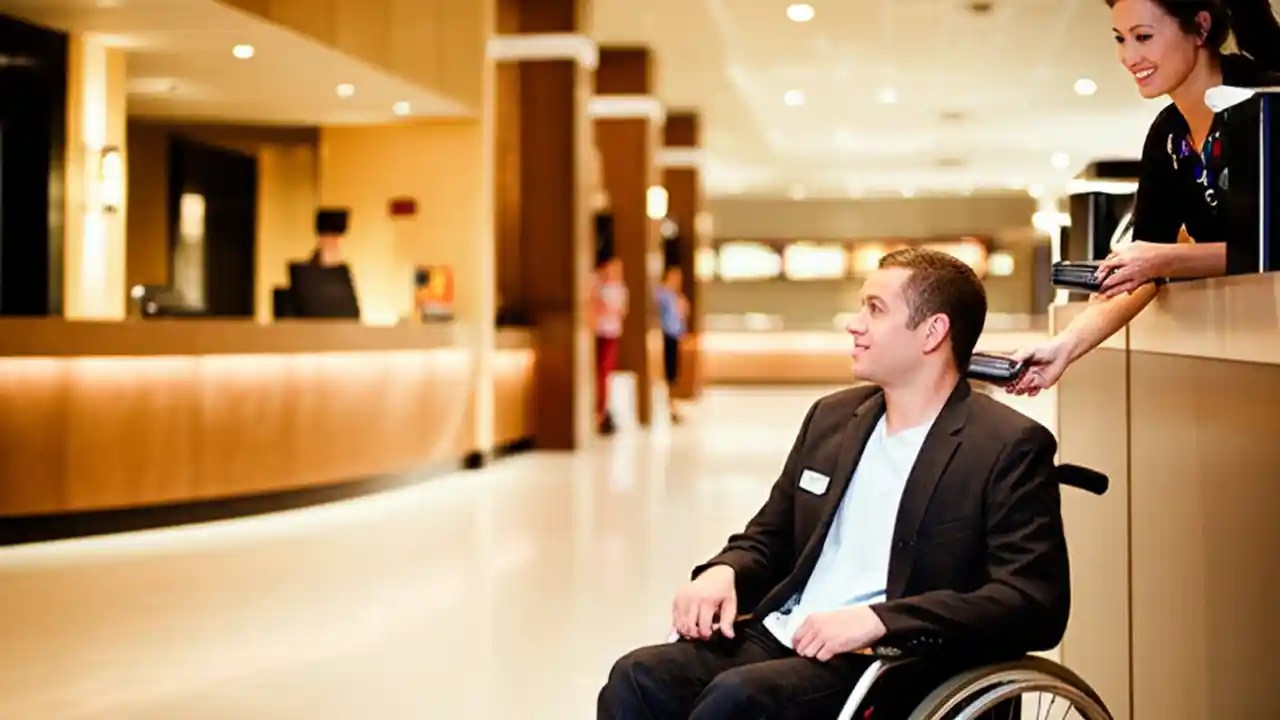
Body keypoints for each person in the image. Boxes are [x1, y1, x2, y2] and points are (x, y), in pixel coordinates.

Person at [598, 248, 1070, 719]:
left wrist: (879, 622)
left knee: (739, 700)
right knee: (637, 678)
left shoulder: (1005, 446)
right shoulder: (835, 419)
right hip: (786, 635)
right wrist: (724, 571)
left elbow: (1032, 601)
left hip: (889, 663)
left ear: (933, 332)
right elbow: (770, 537)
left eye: (875, 309)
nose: (854, 324)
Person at [1009, 0, 1280, 396]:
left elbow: (1268, 248)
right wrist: (1061, 348)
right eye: (1121, 39)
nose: (1129, 57)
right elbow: (1143, 267)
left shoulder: (1265, 100)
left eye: (1144, 37)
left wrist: (1166, 258)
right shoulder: (1167, 135)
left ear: (1200, 28)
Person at [592, 256, 629, 435]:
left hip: (611, 333)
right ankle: (598, 411)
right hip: (598, 333)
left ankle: (602, 410)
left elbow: (620, 310)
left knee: (605, 372)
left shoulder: (620, 289)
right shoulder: (598, 286)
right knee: (599, 372)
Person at [656, 266, 690, 424]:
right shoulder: (662, 294)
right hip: (666, 336)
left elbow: (679, 317)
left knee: (674, 372)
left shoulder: (676, 296)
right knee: (669, 372)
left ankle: (673, 404)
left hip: (675, 335)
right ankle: (670, 405)